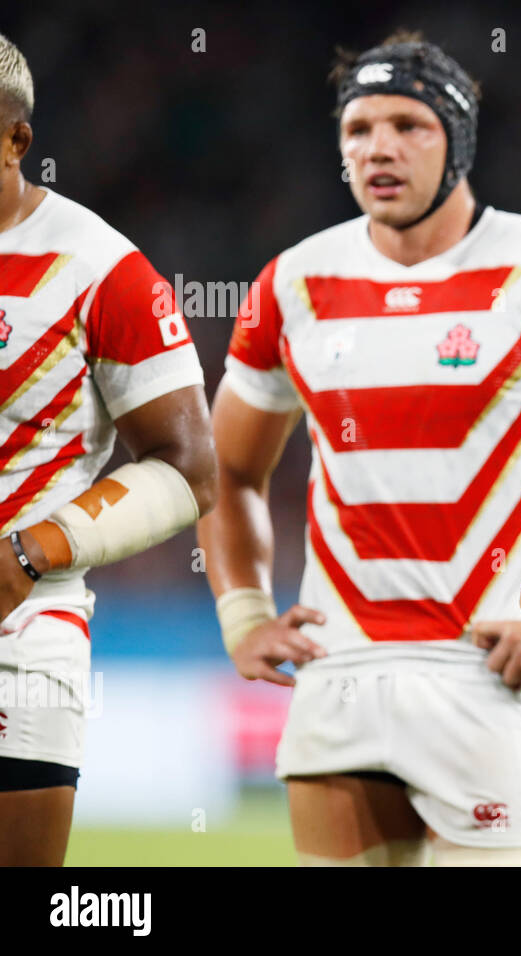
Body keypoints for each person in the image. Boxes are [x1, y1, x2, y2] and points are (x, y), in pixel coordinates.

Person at [198, 30, 521, 867]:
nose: (378, 146)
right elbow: (226, 469)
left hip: (488, 675)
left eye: (408, 124)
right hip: (337, 665)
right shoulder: (292, 283)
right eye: (358, 129)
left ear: (456, 140)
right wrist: (242, 614)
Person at [0, 32, 216, 865]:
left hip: (20, 638)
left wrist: (28, 553)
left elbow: (190, 471)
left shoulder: (102, 268)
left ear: (17, 138)